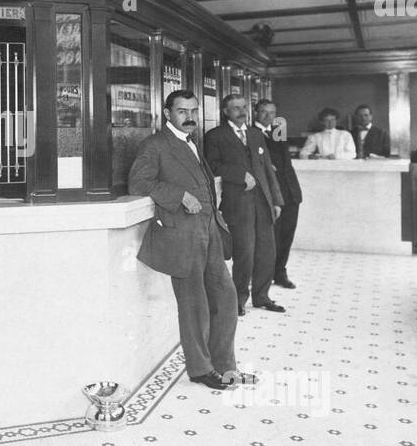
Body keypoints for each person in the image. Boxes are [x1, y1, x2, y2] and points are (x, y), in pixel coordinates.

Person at [128, 90, 252, 389]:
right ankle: (200, 369)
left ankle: (225, 366)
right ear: (168, 113)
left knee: (225, 296)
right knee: (194, 303)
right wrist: (178, 195)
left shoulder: (191, 143)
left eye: (193, 111)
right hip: (181, 234)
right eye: (182, 111)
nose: (190, 117)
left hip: (208, 229)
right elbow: (138, 182)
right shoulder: (156, 144)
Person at [204, 93, 285, 315]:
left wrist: (276, 200)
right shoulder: (215, 136)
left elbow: (268, 168)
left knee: (267, 252)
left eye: (243, 107)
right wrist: (240, 175)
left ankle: (262, 296)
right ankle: (238, 300)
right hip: (238, 203)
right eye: (236, 108)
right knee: (244, 253)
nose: (242, 111)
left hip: (263, 201)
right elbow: (212, 165)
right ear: (225, 111)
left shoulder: (256, 134)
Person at [253, 99, 301, 290]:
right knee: (270, 238)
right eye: (264, 112)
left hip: (290, 191)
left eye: (272, 112)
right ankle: (262, 277)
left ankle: (280, 273)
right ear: (256, 113)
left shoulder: (278, 133)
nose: (268, 116)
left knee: (287, 235)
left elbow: (284, 164)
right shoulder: (250, 134)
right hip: (270, 194)